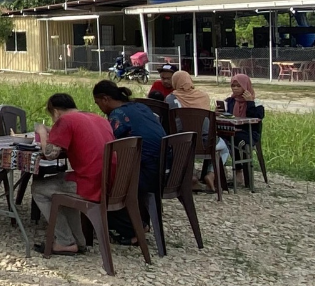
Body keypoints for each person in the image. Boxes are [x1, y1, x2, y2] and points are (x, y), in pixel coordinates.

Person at [33, 93, 115, 255]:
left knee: (39, 188)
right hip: (111, 180)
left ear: (56, 112)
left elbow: (50, 154)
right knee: (60, 190)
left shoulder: (65, 121)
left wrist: (42, 132)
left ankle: (64, 241)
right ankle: (78, 241)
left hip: (91, 183)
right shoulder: (96, 117)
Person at [92, 80, 165, 245]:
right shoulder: (140, 107)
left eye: (98, 103)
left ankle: (131, 230)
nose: (99, 108)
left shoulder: (117, 115)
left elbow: (108, 142)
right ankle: (141, 223)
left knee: (102, 188)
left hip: (144, 172)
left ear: (105, 99)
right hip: (164, 168)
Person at [165, 70, 230, 190]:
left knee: (181, 138)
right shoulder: (203, 96)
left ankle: (192, 176)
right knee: (224, 147)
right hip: (206, 143)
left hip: (182, 143)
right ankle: (211, 174)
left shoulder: (170, 99)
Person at [222, 73, 263, 187]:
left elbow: (257, 117)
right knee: (222, 138)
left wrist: (249, 102)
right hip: (233, 131)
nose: (235, 88)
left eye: (238, 86)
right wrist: (219, 112)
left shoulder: (256, 102)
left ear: (245, 86)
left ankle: (240, 174)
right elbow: (227, 116)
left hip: (249, 133)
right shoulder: (229, 101)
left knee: (233, 139)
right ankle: (220, 173)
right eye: (233, 86)